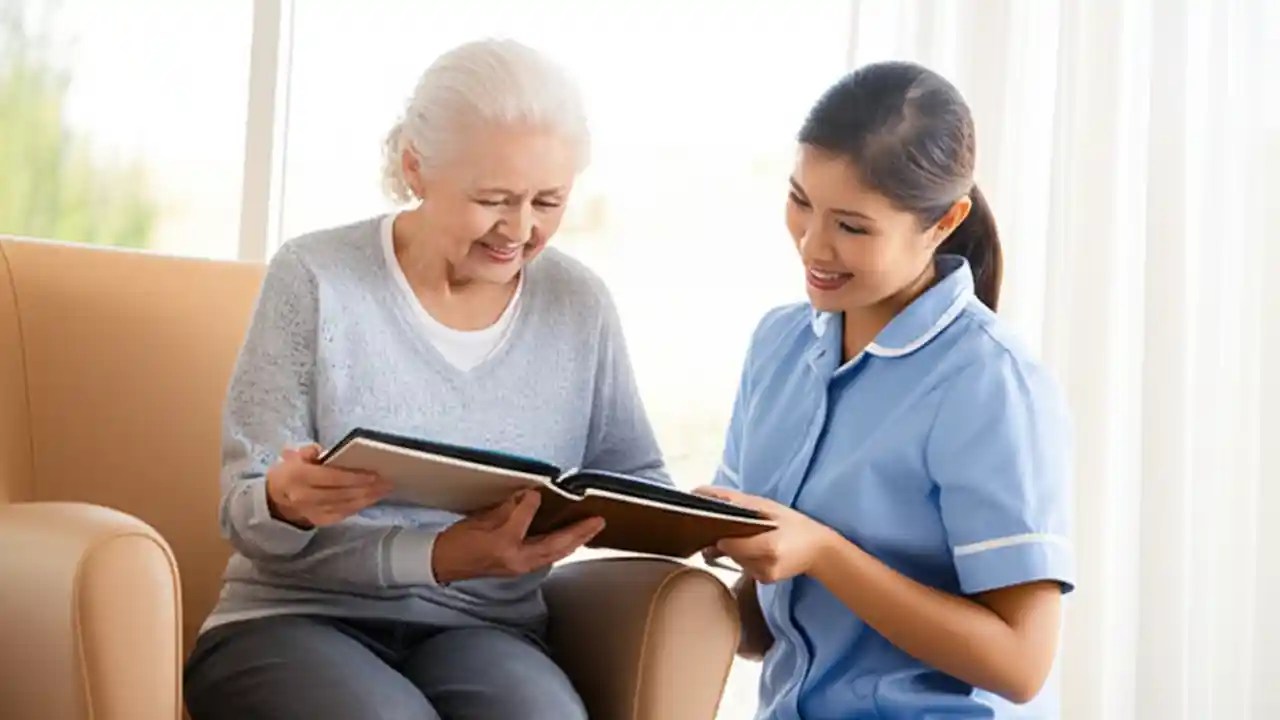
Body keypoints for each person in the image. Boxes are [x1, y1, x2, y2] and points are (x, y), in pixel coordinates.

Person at [184, 38, 667, 720]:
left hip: (486, 630)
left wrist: (692, 520)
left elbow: (634, 478)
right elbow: (246, 512)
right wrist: (288, 503)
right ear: (416, 167)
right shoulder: (316, 275)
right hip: (293, 620)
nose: (520, 230)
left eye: (547, 202)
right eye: (494, 199)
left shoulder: (578, 304)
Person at [697, 61, 1075, 719]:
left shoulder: (988, 382)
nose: (813, 244)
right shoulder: (779, 346)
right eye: (800, 201)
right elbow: (765, 627)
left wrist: (822, 553)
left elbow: (1021, 665)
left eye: (852, 226)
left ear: (943, 221)